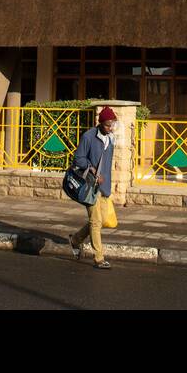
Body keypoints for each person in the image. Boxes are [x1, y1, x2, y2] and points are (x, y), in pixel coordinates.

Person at [69, 106, 117, 269]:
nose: (110, 128)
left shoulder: (111, 138)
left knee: (100, 221)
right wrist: (93, 169)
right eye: (108, 125)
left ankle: (75, 239)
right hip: (90, 185)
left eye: (112, 125)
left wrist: (108, 185)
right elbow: (78, 159)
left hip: (104, 186)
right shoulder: (88, 136)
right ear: (100, 122)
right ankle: (99, 258)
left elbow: (108, 164)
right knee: (96, 222)